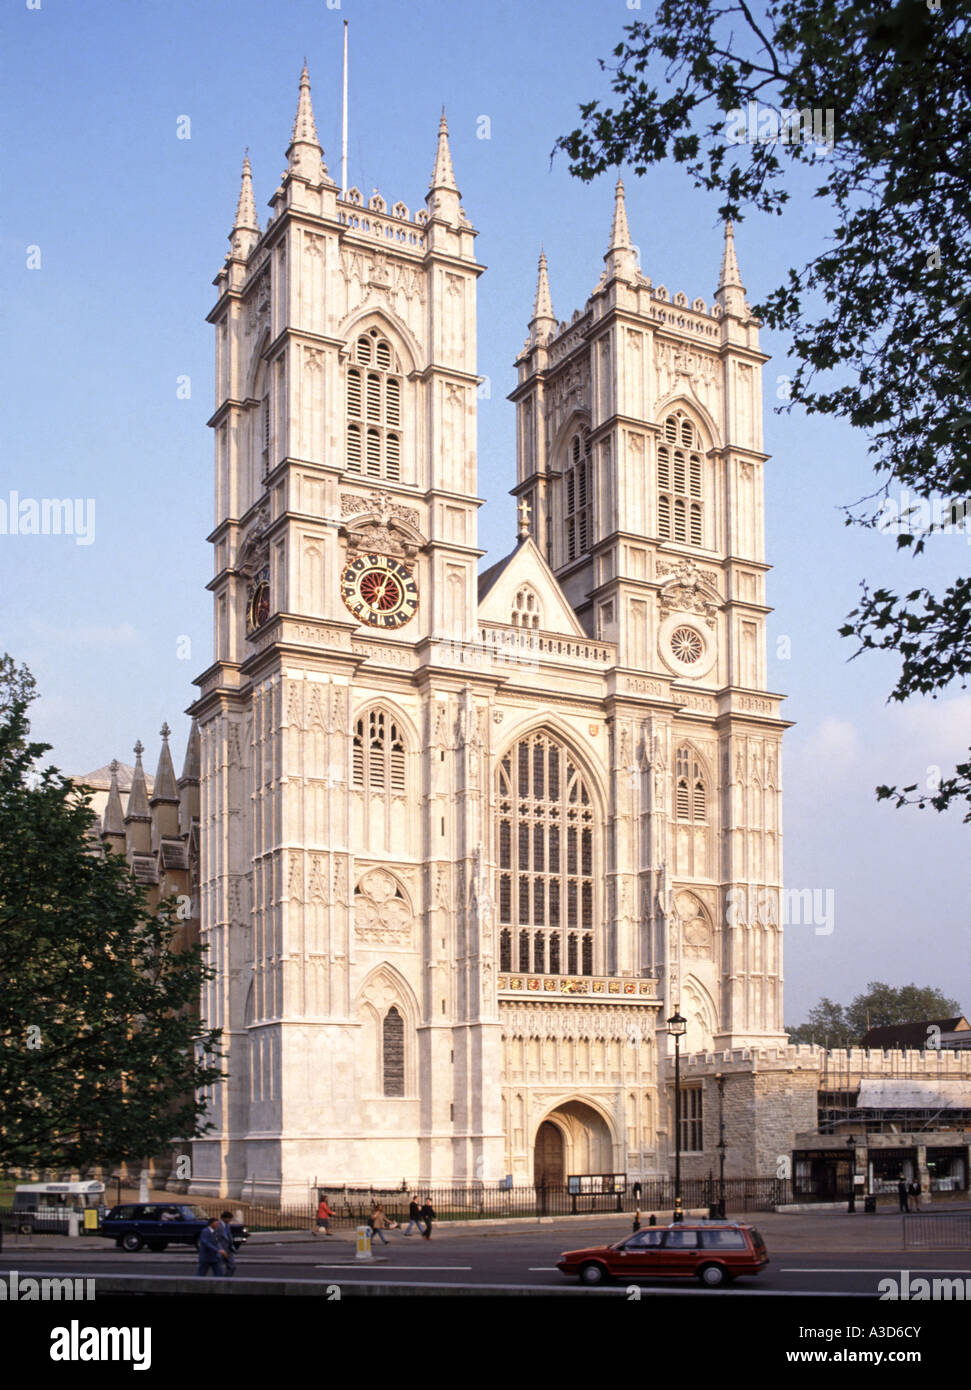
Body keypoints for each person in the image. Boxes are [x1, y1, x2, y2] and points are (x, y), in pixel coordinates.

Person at [216, 1210, 237, 1276]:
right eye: (229, 1219)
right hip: (221, 1249)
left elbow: (229, 1235)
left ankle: (226, 1278)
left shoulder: (227, 1225)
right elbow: (216, 1239)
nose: (230, 1220)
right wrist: (219, 1249)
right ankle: (221, 1279)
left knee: (232, 1266)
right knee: (219, 1268)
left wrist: (232, 1245)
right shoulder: (218, 1225)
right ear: (224, 1218)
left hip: (228, 1249)